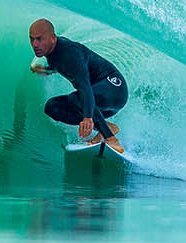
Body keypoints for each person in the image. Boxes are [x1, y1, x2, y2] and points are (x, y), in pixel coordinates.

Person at [27, 18, 127, 150]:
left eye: (39, 39)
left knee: (77, 98)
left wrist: (87, 117)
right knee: (52, 107)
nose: (35, 44)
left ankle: (110, 137)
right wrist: (46, 70)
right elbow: (61, 66)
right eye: (32, 39)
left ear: (53, 38)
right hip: (98, 98)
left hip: (115, 90)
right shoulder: (52, 52)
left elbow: (85, 87)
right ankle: (106, 127)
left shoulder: (70, 53)